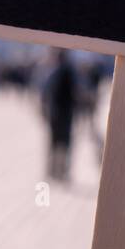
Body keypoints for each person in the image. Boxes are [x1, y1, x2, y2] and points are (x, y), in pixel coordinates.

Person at [41, 50, 78, 182]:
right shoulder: (69, 72)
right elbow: (76, 94)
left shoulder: (53, 72)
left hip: (57, 113)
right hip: (65, 114)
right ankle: (59, 171)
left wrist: (45, 110)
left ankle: (54, 171)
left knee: (55, 143)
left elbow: (45, 94)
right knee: (63, 144)